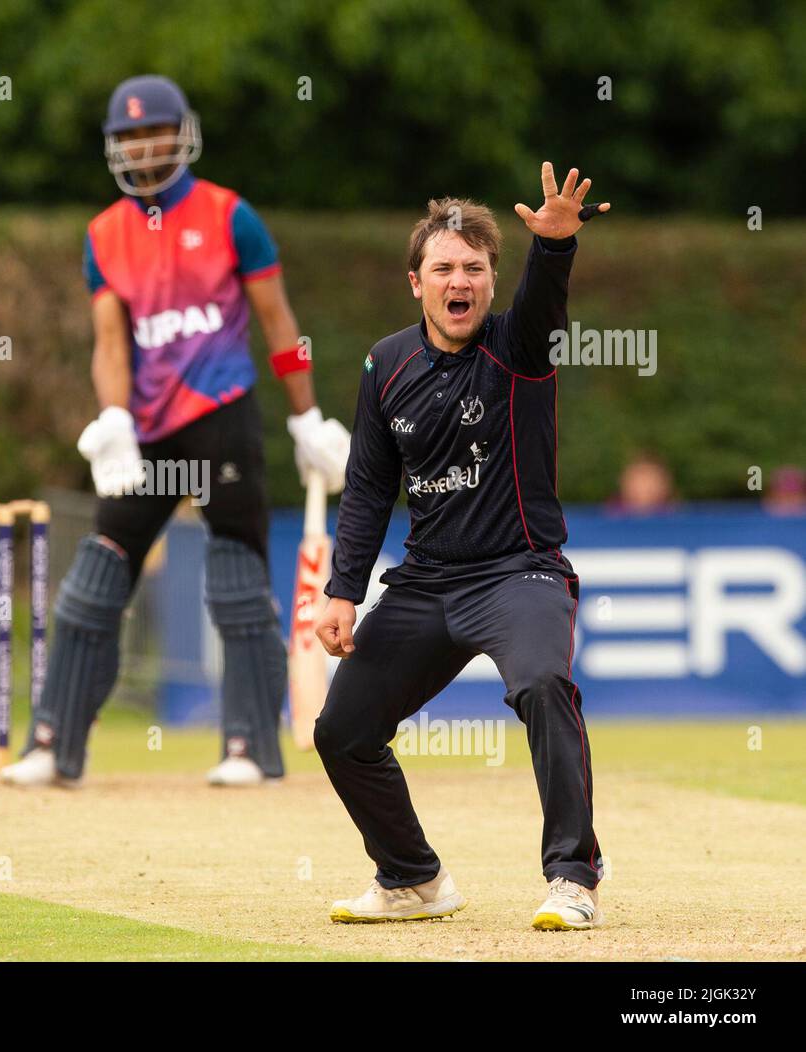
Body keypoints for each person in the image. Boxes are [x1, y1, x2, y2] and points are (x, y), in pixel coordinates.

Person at [0, 75, 351, 788]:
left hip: (222, 416)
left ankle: (249, 746)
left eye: (152, 131)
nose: (142, 145)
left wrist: (305, 414)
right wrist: (116, 418)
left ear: (180, 133)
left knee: (234, 579)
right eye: (127, 136)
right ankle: (53, 742)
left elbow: (279, 322)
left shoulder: (229, 216)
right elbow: (109, 341)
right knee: (96, 579)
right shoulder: (104, 234)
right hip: (151, 431)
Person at [313, 166, 609, 930]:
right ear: (417, 282)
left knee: (543, 684)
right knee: (340, 731)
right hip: (427, 582)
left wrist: (556, 247)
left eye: (474, 268)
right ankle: (413, 878)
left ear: (489, 280)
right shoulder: (386, 365)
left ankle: (573, 878)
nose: (460, 280)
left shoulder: (519, 346)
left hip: (521, 572)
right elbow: (369, 489)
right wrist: (344, 589)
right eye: (444, 267)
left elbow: (545, 302)